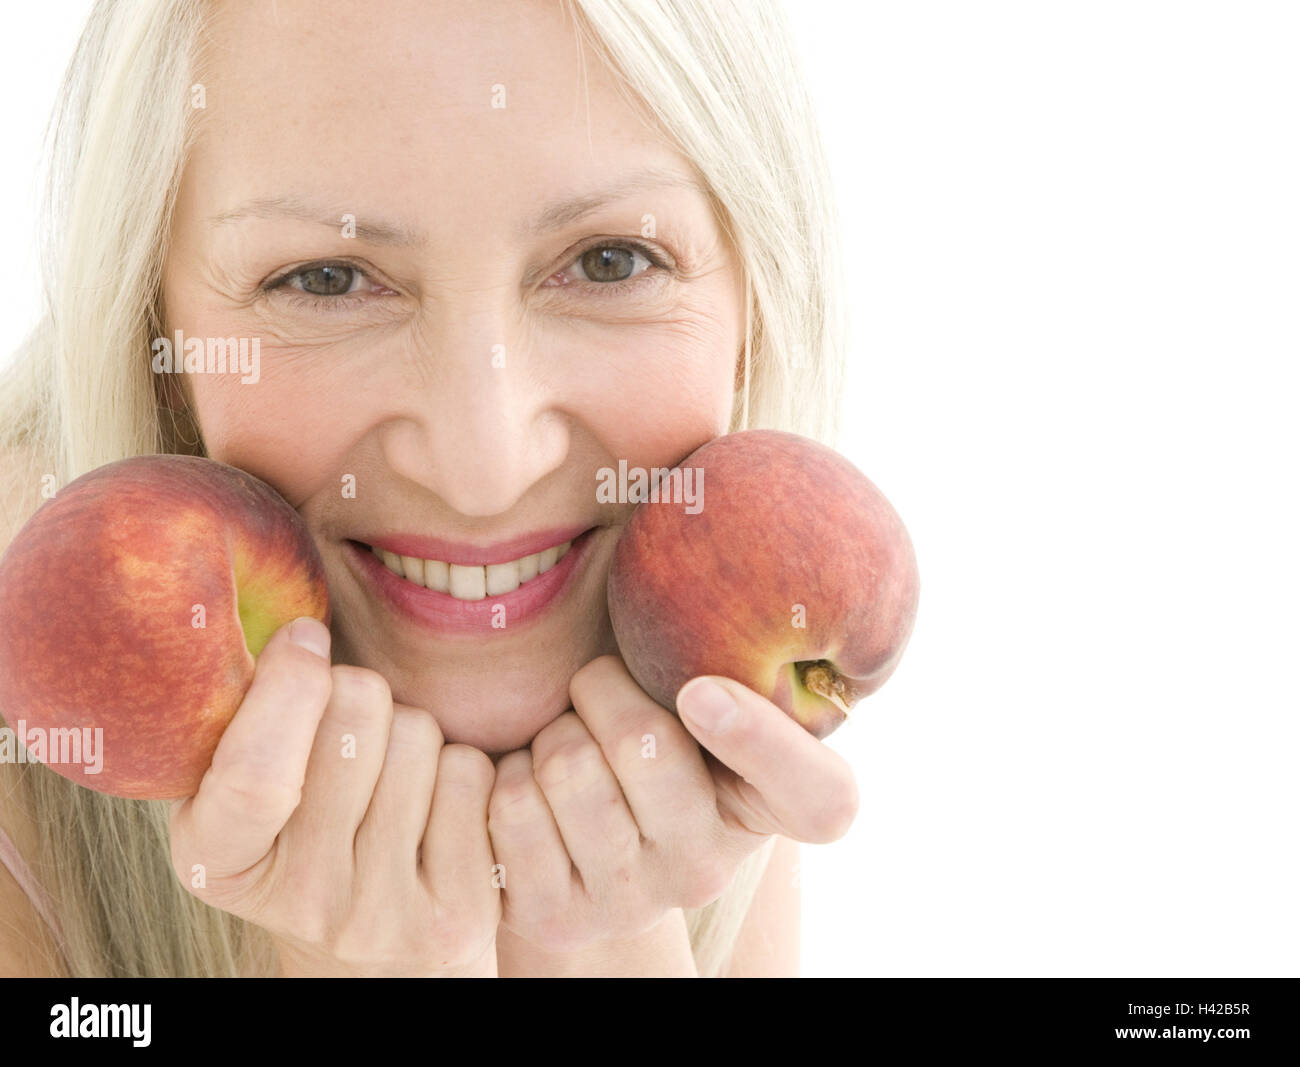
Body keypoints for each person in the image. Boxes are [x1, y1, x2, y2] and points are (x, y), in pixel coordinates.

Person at [0, 0, 853, 977]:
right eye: (324, 280)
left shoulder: (699, 662)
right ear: (156, 335)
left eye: (610, 262)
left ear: (754, 306)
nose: (484, 468)